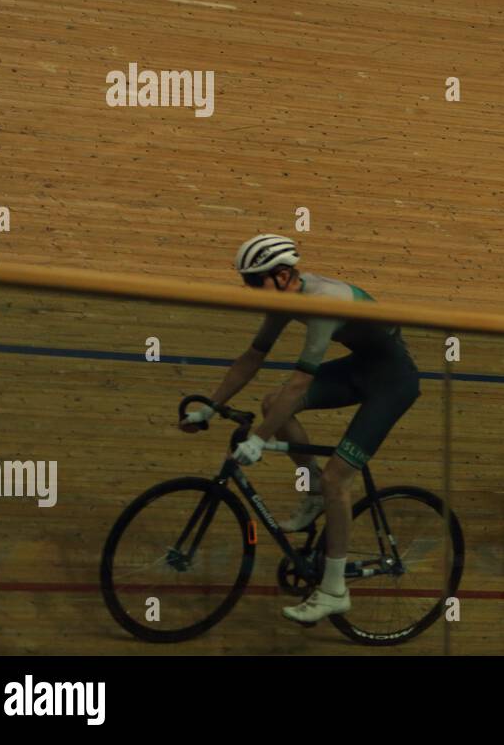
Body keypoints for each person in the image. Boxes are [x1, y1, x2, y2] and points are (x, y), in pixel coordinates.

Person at [177, 234, 420, 623]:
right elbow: (252, 357)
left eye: (256, 281)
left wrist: (258, 441)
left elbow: (300, 383)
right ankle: (313, 493)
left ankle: (334, 590)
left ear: (284, 274)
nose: (251, 290)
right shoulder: (286, 296)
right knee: (273, 405)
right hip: (363, 367)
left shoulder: (323, 302)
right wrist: (210, 406)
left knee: (337, 480)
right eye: (247, 282)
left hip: (393, 383)